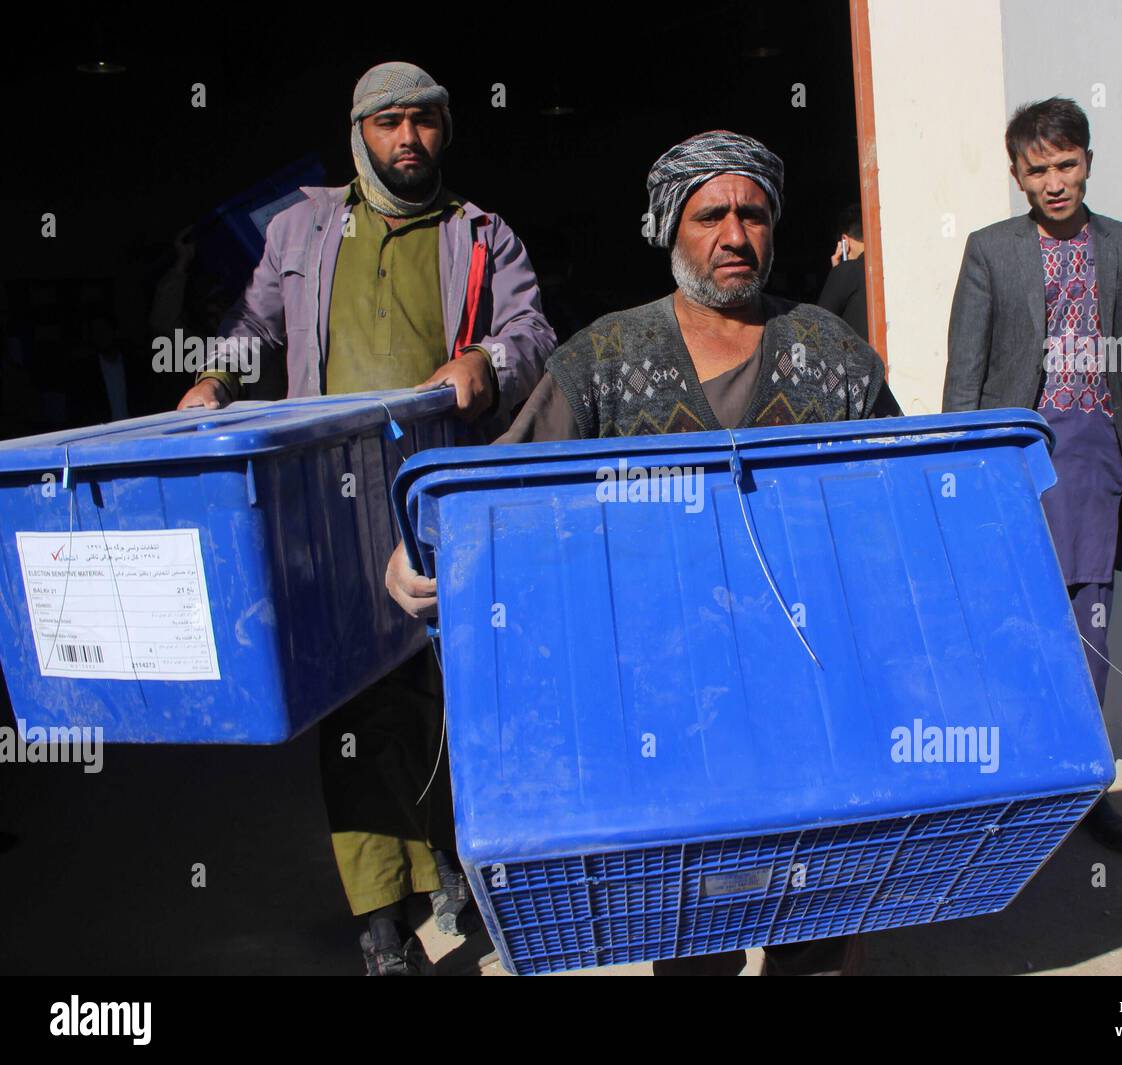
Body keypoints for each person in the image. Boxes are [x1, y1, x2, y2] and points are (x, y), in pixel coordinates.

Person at [386, 130, 903, 975]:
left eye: (753, 214)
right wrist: (421, 556)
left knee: (814, 923)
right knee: (686, 928)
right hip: (665, 708)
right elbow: (500, 491)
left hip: (811, 698)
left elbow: (900, 496)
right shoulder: (606, 359)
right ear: (671, 229)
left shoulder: (833, 354)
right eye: (711, 215)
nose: (735, 235)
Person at [177, 61, 556, 974]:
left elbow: (536, 331)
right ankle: (377, 905)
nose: (409, 139)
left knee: (442, 690)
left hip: (436, 495)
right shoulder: (301, 227)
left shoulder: (481, 234)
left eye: (425, 122)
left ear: (444, 133)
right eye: (390, 123)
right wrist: (211, 375)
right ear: (359, 134)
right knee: (349, 702)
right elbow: (253, 327)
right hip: (327, 502)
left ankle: (448, 867)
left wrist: (488, 366)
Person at [943, 97, 1122, 853]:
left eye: (1067, 164)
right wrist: (962, 476)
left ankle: (1084, 786)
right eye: (1038, 168)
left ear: (1088, 160)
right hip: (1016, 461)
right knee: (1012, 621)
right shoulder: (991, 250)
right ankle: (1011, 784)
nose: (1055, 181)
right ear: (1017, 174)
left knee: (1091, 632)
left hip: (1094, 463)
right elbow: (966, 376)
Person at [817, 205, 869, 341]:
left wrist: (839, 271)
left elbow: (819, 327)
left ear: (844, 240)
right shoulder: (887, 267)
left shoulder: (846, 271)